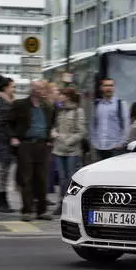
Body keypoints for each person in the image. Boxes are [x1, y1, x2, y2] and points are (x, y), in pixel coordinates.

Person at [5, 80, 56, 222]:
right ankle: (27, 210)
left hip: (42, 146)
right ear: (32, 89)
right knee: (26, 179)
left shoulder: (48, 106)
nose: (39, 91)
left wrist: (50, 138)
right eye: (37, 88)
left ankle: (42, 210)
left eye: (42, 88)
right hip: (26, 144)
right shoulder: (20, 105)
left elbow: (52, 123)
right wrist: (13, 137)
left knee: (42, 179)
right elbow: (7, 122)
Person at [51, 87, 86, 215]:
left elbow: (82, 132)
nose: (60, 96)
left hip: (72, 151)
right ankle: (61, 203)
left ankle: (72, 203)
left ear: (68, 96)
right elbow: (56, 126)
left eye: (62, 94)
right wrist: (54, 132)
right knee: (61, 178)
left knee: (71, 178)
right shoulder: (60, 110)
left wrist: (68, 140)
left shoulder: (78, 111)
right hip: (59, 150)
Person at [0, 75, 16, 213]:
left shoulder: (10, 101)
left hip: (8, 143)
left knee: (5, 174)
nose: (14, 89)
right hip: (2, 143)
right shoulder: (0, 101)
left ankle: (3, 201)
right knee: (1, 173)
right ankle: (0, 201)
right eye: (12, 87)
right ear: (5, 88)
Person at [89, 77, 130, 161]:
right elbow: (92, 125)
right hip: (99, 148)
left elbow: (126, 126)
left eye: (111, 85)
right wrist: (94, 142)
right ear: (101, 88)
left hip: (115, 149)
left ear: (114, 88)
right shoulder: (97, 105)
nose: (109, 88)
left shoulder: (120, 104)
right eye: (106, 85)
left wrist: (120, 143)